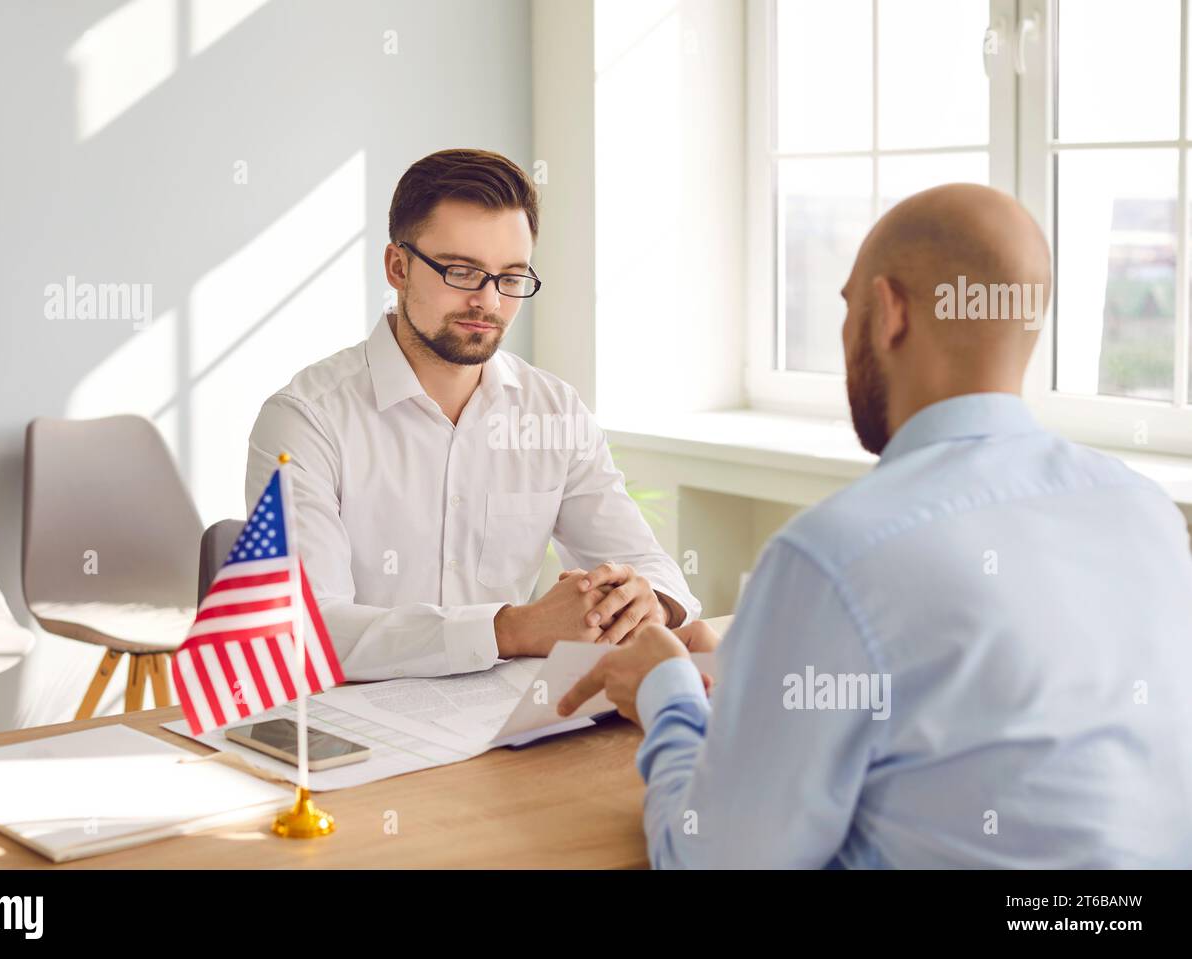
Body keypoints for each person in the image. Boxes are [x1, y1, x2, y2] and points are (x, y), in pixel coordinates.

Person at [559, 183, 1192, 867]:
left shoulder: (837, 554)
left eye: (846, 307)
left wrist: (668, 692)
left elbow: (715, 859)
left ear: (888, 311)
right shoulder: (1147, 513)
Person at [246, 148, 700, 681]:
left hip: (504, 719)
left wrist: (649, 603)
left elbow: (649, 566)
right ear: (398, 266)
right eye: (462, 272)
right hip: (349, 725)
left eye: (511, 277)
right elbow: (307, 630)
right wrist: (511, 629)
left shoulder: (552, 412)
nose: (488, 302)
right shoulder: (305, 421)